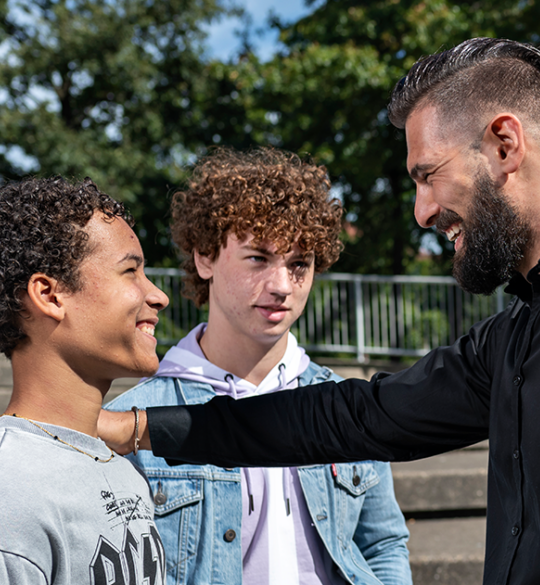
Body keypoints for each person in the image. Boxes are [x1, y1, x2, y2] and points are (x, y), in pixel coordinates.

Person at [99, 37, 540, 584]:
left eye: (426, 174)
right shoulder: (519, 333)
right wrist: (136, 427)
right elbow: (353, 414)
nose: (422, 210)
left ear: (505, 144)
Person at [106, 148, 411, 585]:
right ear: (205, 257)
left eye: (299, 264)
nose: (282, 286)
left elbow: (382, 545)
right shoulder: (135, 422)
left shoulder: (347, 405)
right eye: (259, 258)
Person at [0, 177, 171, 585]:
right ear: (49, 295)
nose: (158, 295)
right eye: (130, 272)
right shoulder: (5, 501)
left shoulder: (117, 465)